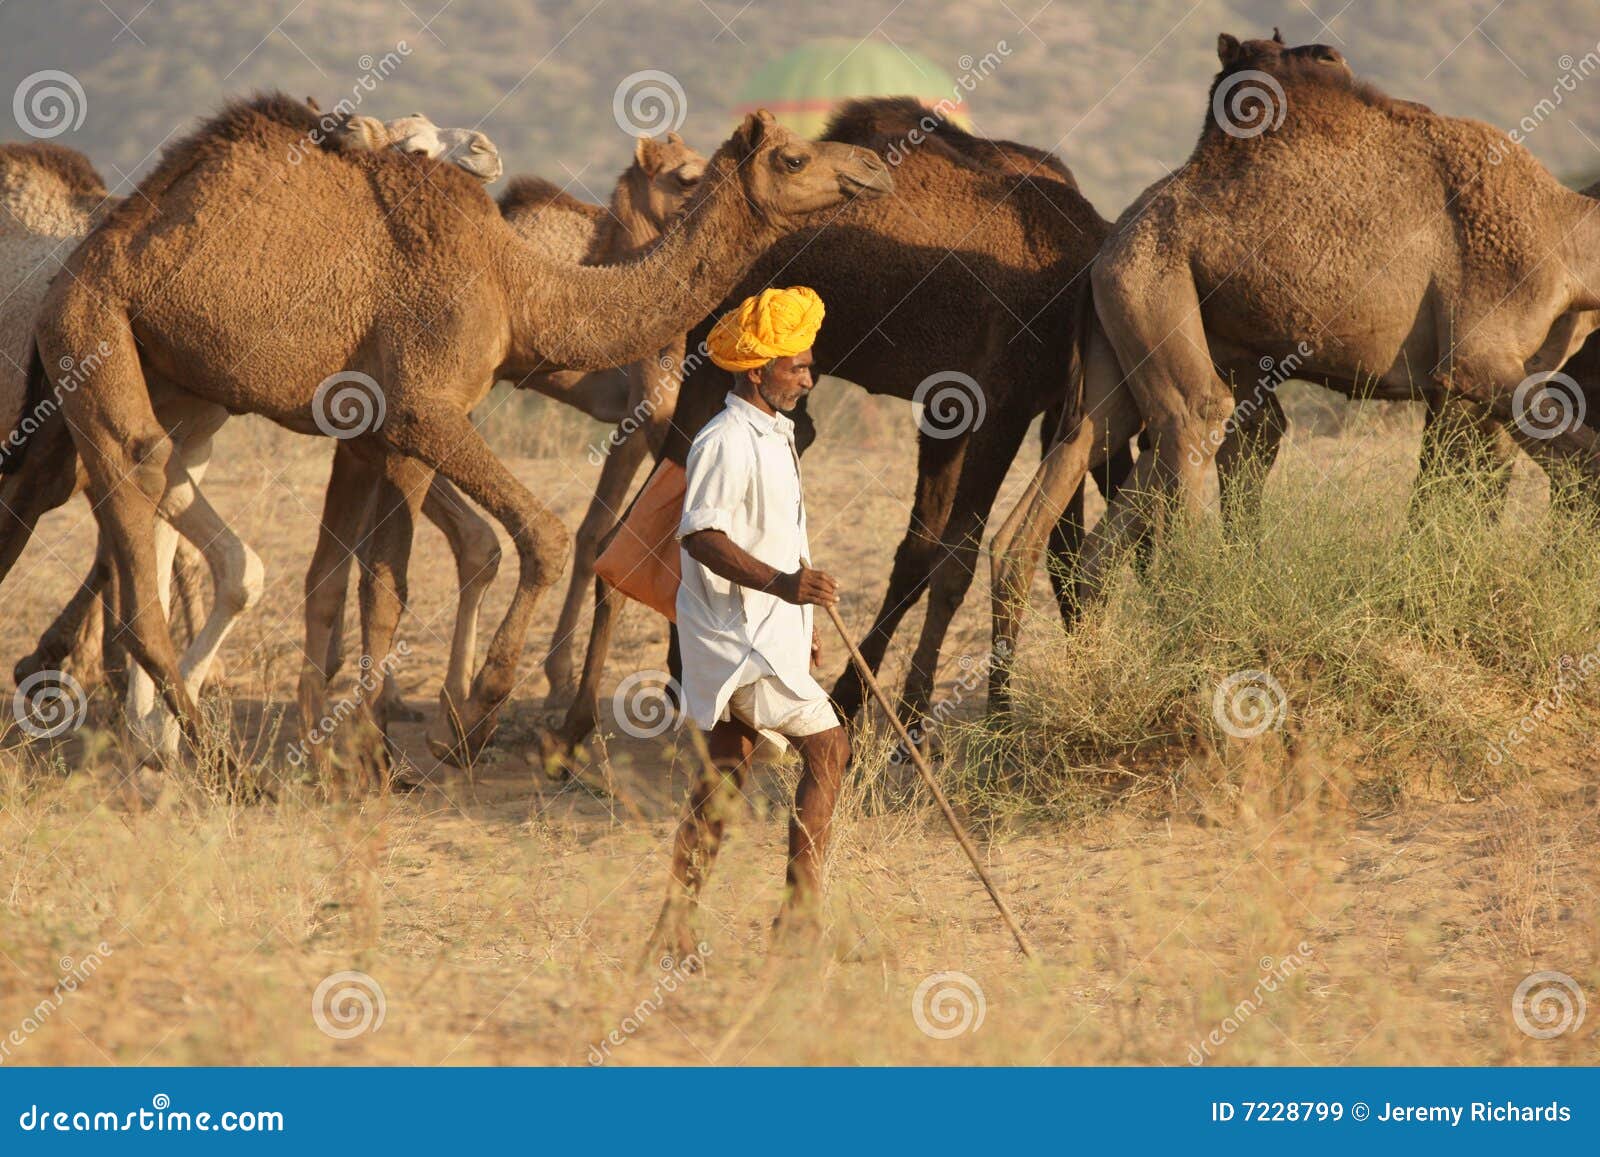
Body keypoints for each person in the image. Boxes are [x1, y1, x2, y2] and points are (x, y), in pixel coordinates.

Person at [649, 285, 851, 956]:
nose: (808, 374)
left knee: (724, 780)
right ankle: (799, 919)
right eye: (797, 364)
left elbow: (777, 538)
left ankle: (674, 925)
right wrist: (787, 586)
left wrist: (802, 620)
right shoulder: (726, 440)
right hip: (734, 639)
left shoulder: (775, 435)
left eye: (809, 363)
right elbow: (700, 535)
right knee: (828, 747)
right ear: (756, 369)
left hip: (767, 634)